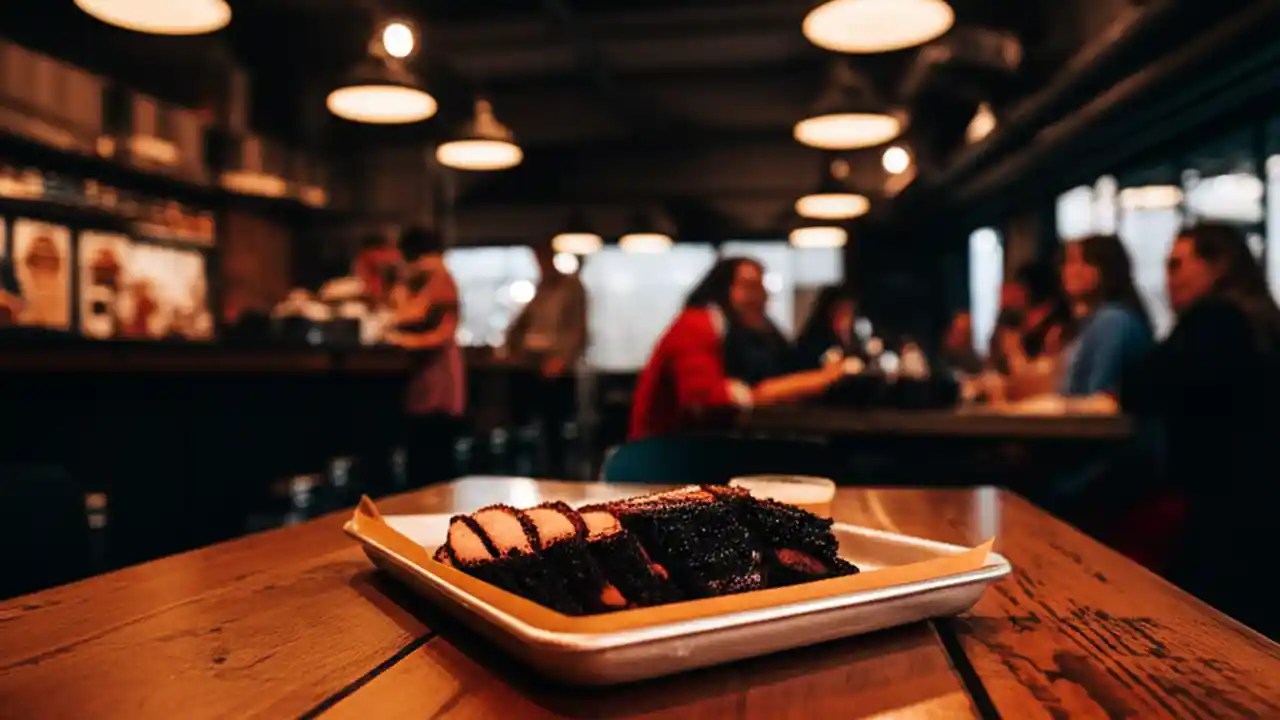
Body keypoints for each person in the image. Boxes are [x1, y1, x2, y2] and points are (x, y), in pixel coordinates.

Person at [1120, 223, 1280, 637]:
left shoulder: (1216, 320)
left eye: (1177, 265)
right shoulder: (1261, 318)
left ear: (1218, 265)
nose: (1168, 279)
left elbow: (1142, 385)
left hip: (1222, 518)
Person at [629, 257, 844, 440]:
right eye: (750, 286)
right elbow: (704, 399)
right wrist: (823, 379)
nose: (761, 296)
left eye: (762, 287)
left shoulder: (754, 331)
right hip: (663, 454)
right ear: (722, 289)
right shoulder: (697, 323)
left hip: (701, 446)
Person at [385, 226, 465, 486]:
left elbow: (436, 327)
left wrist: (401, 338)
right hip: (427, 380)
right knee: (426, 457)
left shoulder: (437, 278)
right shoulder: (427, 278)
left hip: (437, 381)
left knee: (433, 460)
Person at [503, 239, 589, 475]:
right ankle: (536, 474)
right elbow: (520, 324)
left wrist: (562, 359)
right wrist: (511, 345)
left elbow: (578, 329)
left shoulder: (571, 287)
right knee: (530, 426)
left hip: (557, 367)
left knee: (556, 430)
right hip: (532, 365)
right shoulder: (541, 289)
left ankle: (560, 478)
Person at [1055, 235, 1154, 401]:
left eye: (1084, 262)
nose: (1071, 271)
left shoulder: (1112, 320)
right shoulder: (1090, 323)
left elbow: (1099, 397)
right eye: (1068, 262)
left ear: (1107, 267)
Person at [795, 287, 864, 370]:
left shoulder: (856, 340)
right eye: (842, 313)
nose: (846, 320)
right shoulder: (814, 343)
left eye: (850, 313)